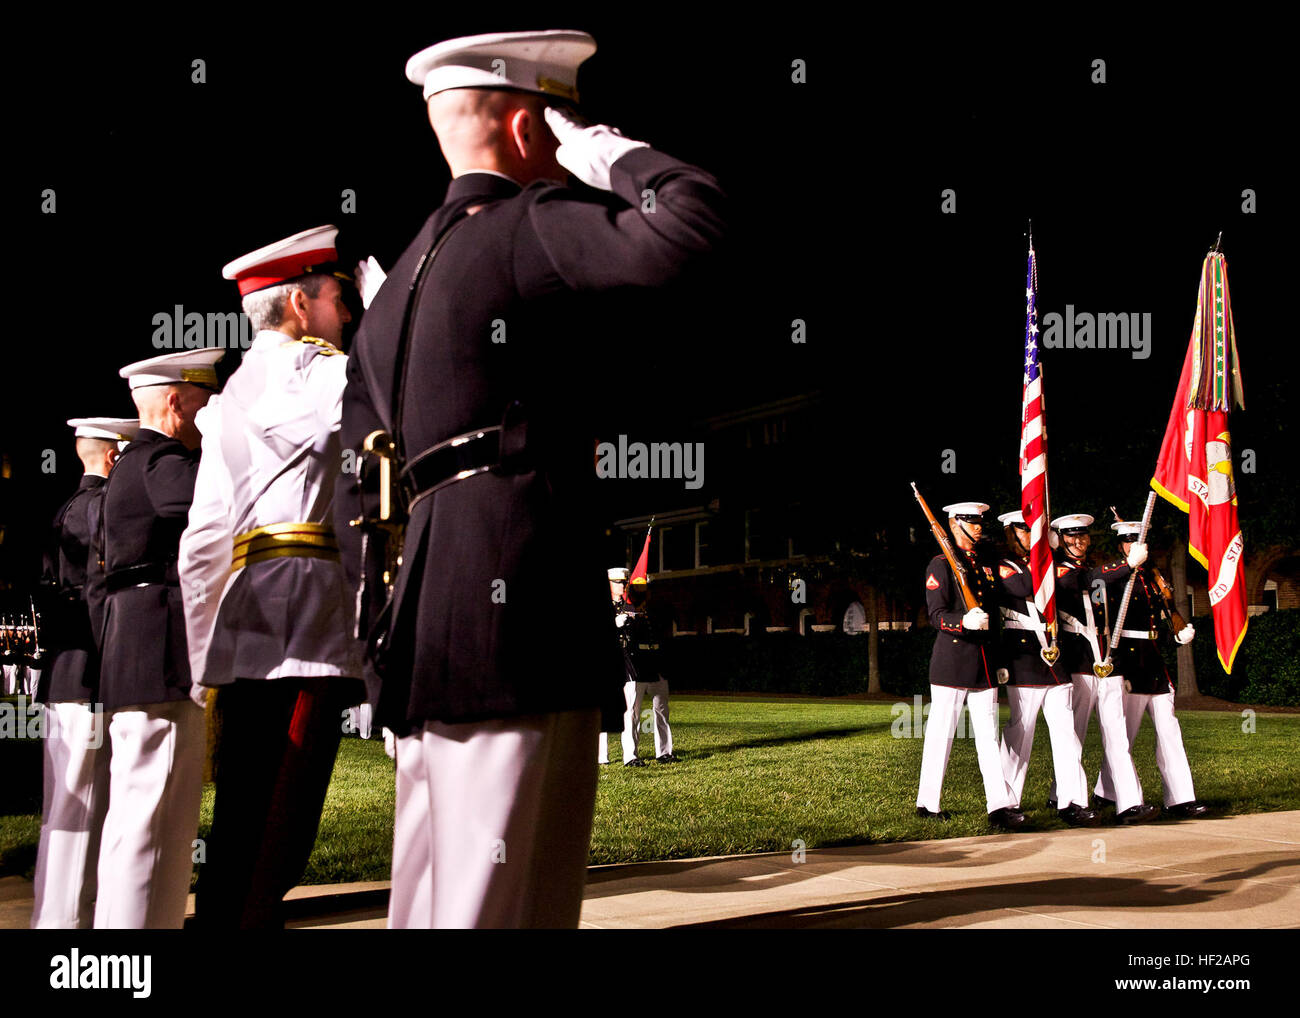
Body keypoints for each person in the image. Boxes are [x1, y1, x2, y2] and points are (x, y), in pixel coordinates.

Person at [335, 28, 726, 927]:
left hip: (431, 608)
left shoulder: (393, 290)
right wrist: (607, 152)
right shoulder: (526, 221)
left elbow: (366, 480)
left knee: (438, 893)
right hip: (517, 595)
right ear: (527, 127)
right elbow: (692, 219)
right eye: (562, 118)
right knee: (512, 898)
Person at [178, 225, 366, 928]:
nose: (347, 314)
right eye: (338, 299)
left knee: (245, 804)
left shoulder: (227, 400)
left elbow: (202, 541)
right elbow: (404, 397)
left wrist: (199, 661)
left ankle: (226, 916)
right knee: (283, 815)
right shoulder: (322, 374)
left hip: (244, 624)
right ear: (297, 303)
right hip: (307, 624)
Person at [94, 348, 222, 928]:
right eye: (204, 401)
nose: (210, 411)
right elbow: (208, 504)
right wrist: (225, 441)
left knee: (137, 817)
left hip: (134, 652)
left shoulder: (129, 463)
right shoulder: (160, 458)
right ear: (176, 401)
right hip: (161, 654)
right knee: (157, 817)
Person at [30, 417, 137, 927]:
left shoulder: (66, 507)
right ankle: (68, 926)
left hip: (65, 674)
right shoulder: (98, 509)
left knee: (66, 809)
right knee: (84, 810)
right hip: (89, 675)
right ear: (114, 457)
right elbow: (98, 600)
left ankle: (58, 917)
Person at [915, 501, 1024, 830]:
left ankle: (999, 806)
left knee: (988, 737)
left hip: (985, 664)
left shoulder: (985, 564)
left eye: (979, 521)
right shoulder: (940, 565)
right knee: (941, 735)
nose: (978, 527)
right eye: (970, 522)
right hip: (952, 661)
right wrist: (963, 622)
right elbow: (935, 616)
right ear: (953, 524)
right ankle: (927, 803)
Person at [1094, 519, 1209, 819]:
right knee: (1125, 734)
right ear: (1120, 545)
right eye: (1129, 541)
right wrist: (1126, 565)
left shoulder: (1152, 575)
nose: (1135, 546)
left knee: (1169, 729)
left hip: (1153, 660)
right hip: (1126, 659)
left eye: (1140, 540)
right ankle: (1107, 791)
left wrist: (1179, 629)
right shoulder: (1115, 573)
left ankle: (1181, 798)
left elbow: (1168, 608)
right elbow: (1096, 585)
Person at [1050, 513, 1159, 824]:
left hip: (1107, 663)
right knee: (1074, 736)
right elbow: (1085, 582)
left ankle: (1129, 803)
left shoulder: (1092, 568)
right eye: (1071, 535)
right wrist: (1126, 565)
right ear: (1059, 538)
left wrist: (1133, 570)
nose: (1079, 541)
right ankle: (1065, 796)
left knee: (1117, 736)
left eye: (1083, 535)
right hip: (1077, 663)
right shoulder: (1058, 570)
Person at [993, 510, 1099, 827]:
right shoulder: (1005, 566)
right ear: (1010, 534)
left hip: (1056, 662)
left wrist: (1046, 554)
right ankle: (1006, 805)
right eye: (1025, 531)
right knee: (1019, 735)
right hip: (1024, 658)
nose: (1031, 536)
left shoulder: (1047, 562)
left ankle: (1073, 802)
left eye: (1036, 530)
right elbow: (1026, 586)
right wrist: (1046, 552)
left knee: (1067, 736)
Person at [616, 572, 676, 766]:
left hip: (656, 663)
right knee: (632, 713)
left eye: (647, 589)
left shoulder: (655, 610)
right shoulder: (625, 610)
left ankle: (664, 752)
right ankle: (630, 756)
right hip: (635, 664)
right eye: (641, 589)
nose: (646, 592)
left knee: (661, 709)